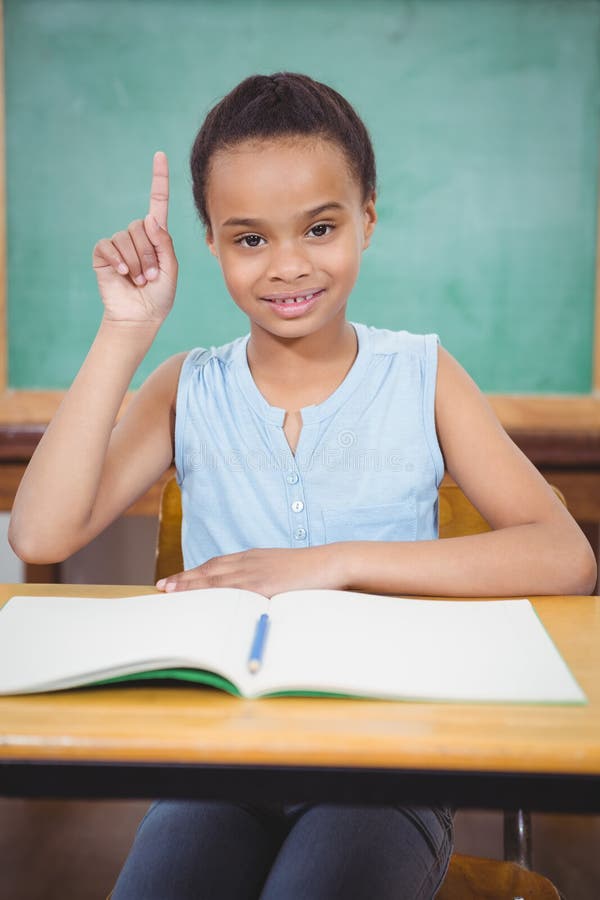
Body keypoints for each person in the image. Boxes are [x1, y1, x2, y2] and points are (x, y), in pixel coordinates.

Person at [9, 72, 596, 899]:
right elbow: (39, 537)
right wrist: (124, 331)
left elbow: (566, 556)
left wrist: (327, 563)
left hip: (390, 764)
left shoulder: (422, 375)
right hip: (218, 766)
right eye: (249, 239)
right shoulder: (186, 387)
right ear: (209, 242)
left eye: (319, 228)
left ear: (367, 219)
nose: (288, 266)